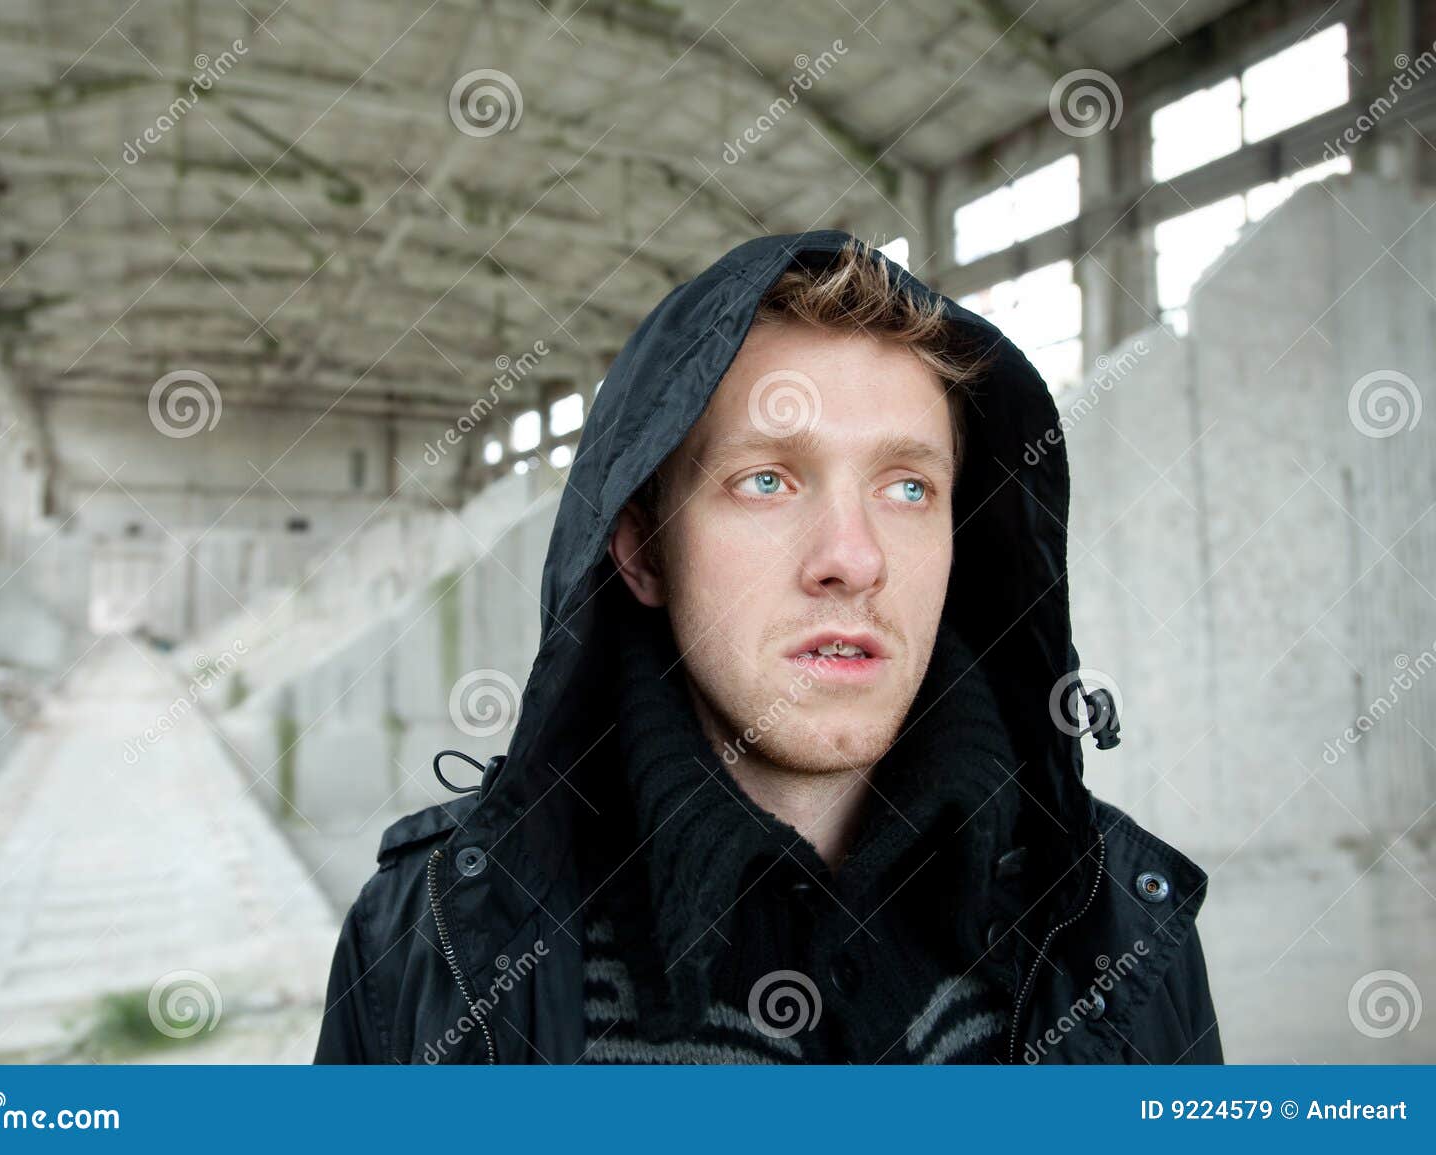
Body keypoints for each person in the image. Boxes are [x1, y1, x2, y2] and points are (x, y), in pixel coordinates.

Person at [313, 232, 1222, 1064]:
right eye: (767, 480)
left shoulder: (1114, 927)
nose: (852, 559)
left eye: (907, 488)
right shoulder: (431, 948)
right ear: (640, 550)